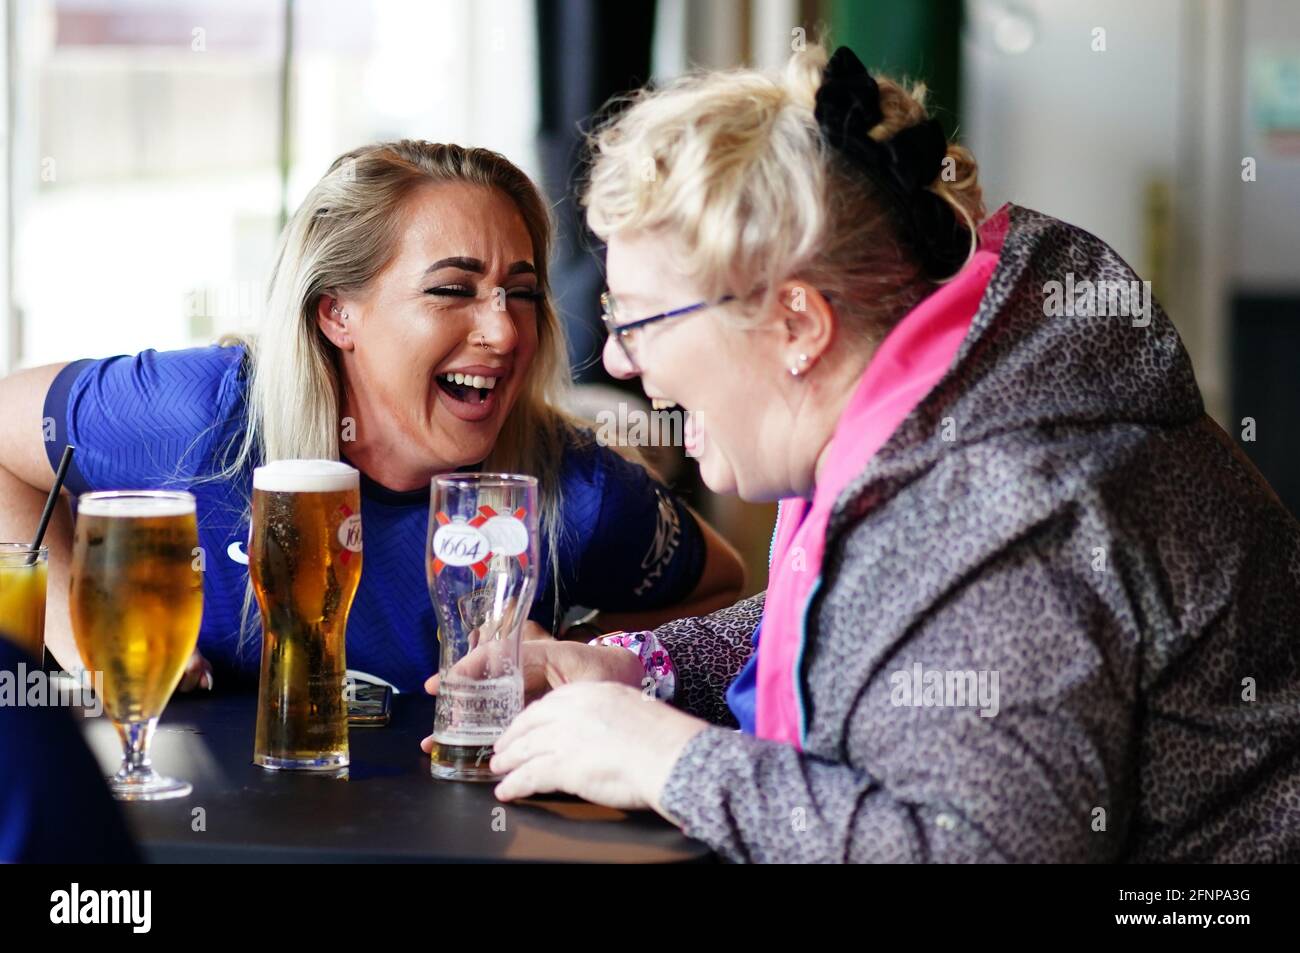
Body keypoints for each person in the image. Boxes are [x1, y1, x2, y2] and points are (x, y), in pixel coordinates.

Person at [470, 45, 1300, 862]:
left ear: (797, 324)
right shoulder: (958, 407)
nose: (616, 360)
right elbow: (876, 616)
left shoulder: (1003, 505)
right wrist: (641, 668)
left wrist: (670, 760)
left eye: (641, 320)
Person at [0, 141, 744, 696]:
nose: (505, 331)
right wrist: (84, 644)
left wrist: (583, 651)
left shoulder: (577, 487)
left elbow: (723, 587)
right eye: (453, 289)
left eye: (520, 293)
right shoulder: (195, 415)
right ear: (338, 313)